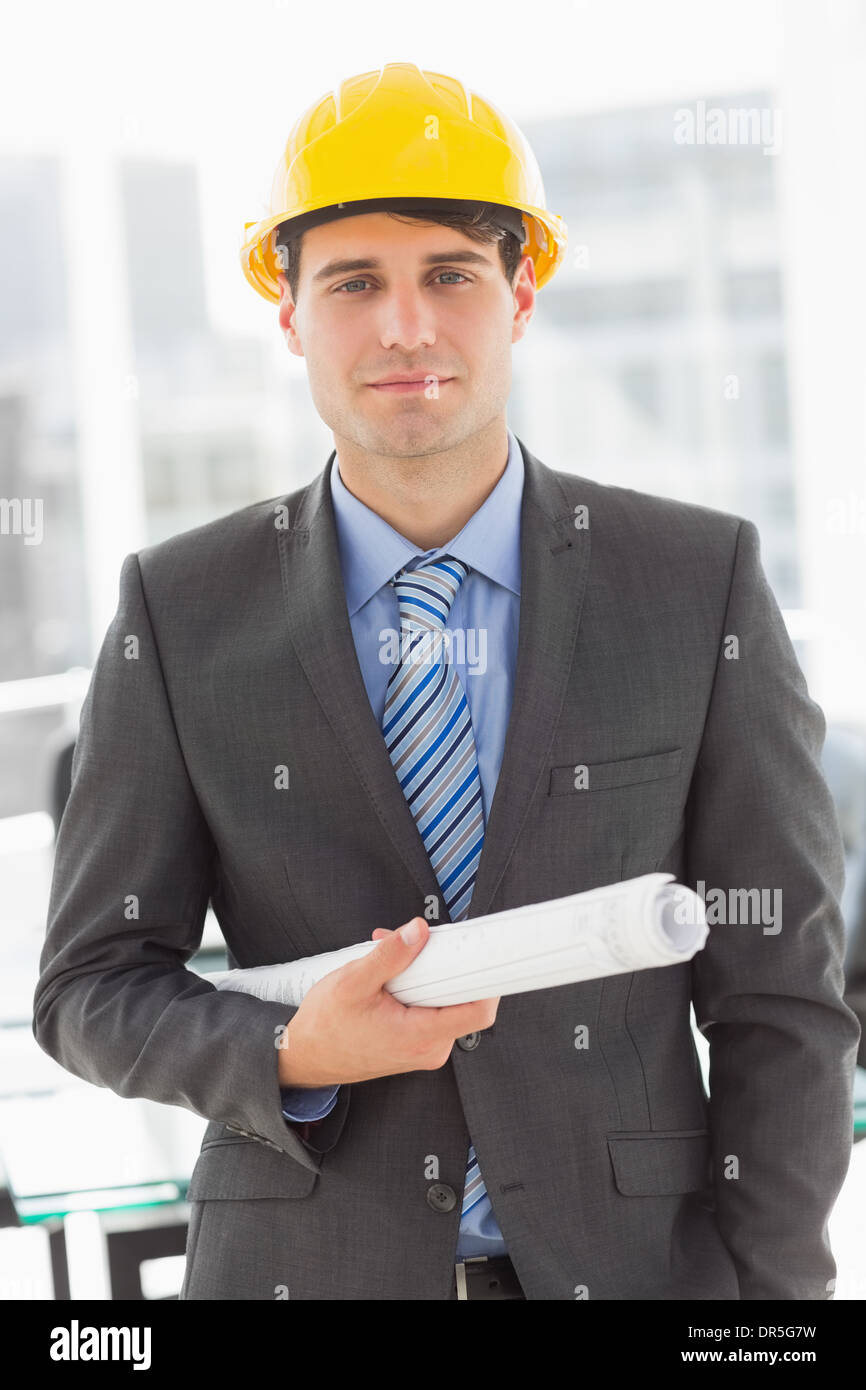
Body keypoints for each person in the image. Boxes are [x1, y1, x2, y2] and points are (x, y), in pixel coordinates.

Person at [33, 61, 860, 1301]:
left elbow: (783, 1000)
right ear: (290, 315)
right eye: (354, 283)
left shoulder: (696, 582)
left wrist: (768, 1305)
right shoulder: (179, 608)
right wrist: (287, 1047)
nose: (405, 327)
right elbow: (91, 984)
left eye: (450, 276)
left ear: (520, 296)